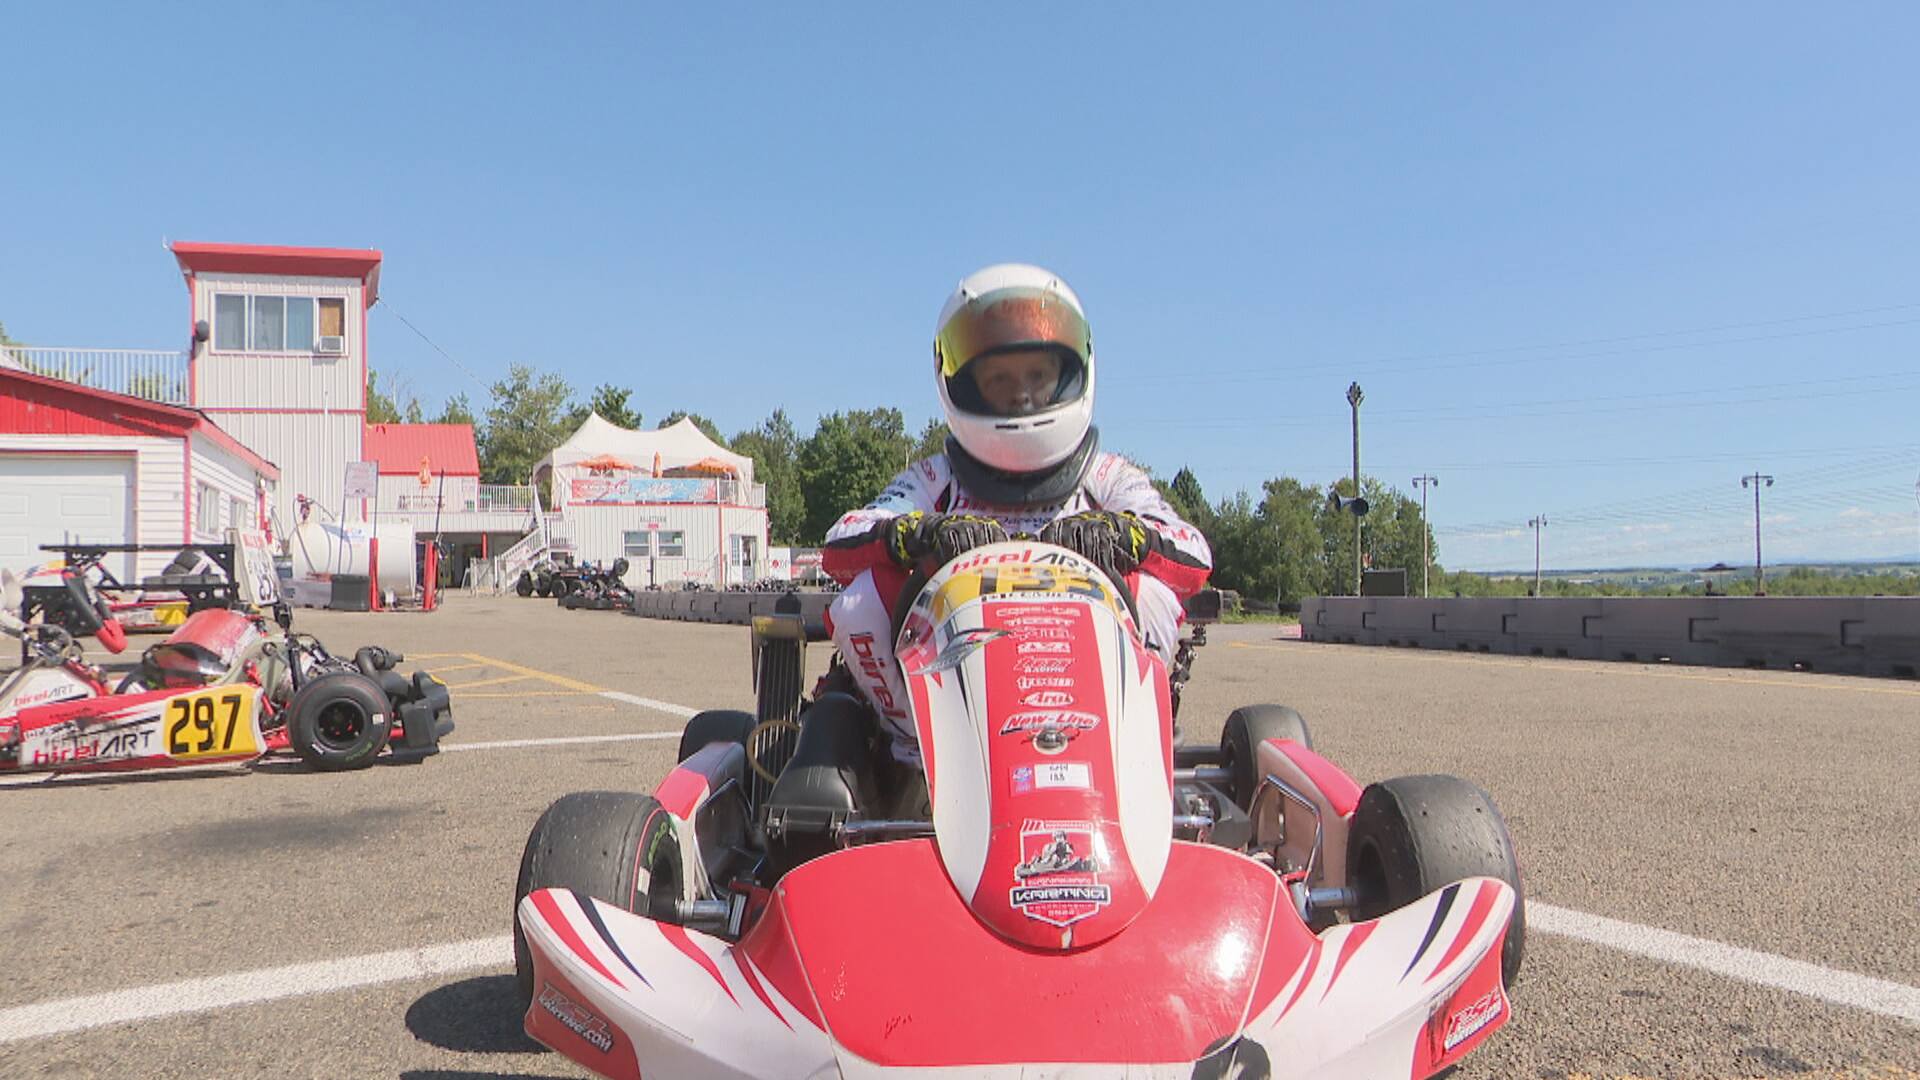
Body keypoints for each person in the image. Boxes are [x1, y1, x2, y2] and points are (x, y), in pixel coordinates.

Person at [822, 263, 1212, 769]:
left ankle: (1128, 744)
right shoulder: (935, 480)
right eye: (1000, 378)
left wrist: (1123, 535)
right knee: (859, 603)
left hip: (1087, 684)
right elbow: (843, 540)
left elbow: (1191, 549)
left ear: (1070, 373)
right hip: (950, 683)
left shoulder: (1109, 476)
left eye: (1037, 375)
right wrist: (919, 535)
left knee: (1157, 592)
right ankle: (914, 757)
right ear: (964, 383)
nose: (1022, 394)